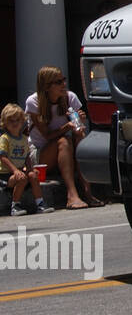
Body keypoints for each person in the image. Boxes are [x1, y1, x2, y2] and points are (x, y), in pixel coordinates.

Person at [25, 66, 103, 209]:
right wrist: (68, 126)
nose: (63, 85)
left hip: (65, 151)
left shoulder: (69, 98)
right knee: (64, 141)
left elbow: (77, 128)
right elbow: (47, 136)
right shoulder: (33, 102)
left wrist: (79, 124)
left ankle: (88, 192)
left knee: (79, 138)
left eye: (63, 80)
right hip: (41, 154)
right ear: (47, 86)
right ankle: (72, 195)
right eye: (58, 82)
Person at [1, 103, 52, 215]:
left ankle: (40, 204)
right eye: (11, 121)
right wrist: (15, 170)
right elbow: (3, 158)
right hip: (5, 175)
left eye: (17, 120)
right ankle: (15, 206)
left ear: (22, 121)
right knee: (22, 178)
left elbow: (27, 157)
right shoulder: (5, 139)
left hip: (19, 171)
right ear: (5, 123)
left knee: (33, 176)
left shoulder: (24, 139)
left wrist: (30, 169)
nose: (15, 123)